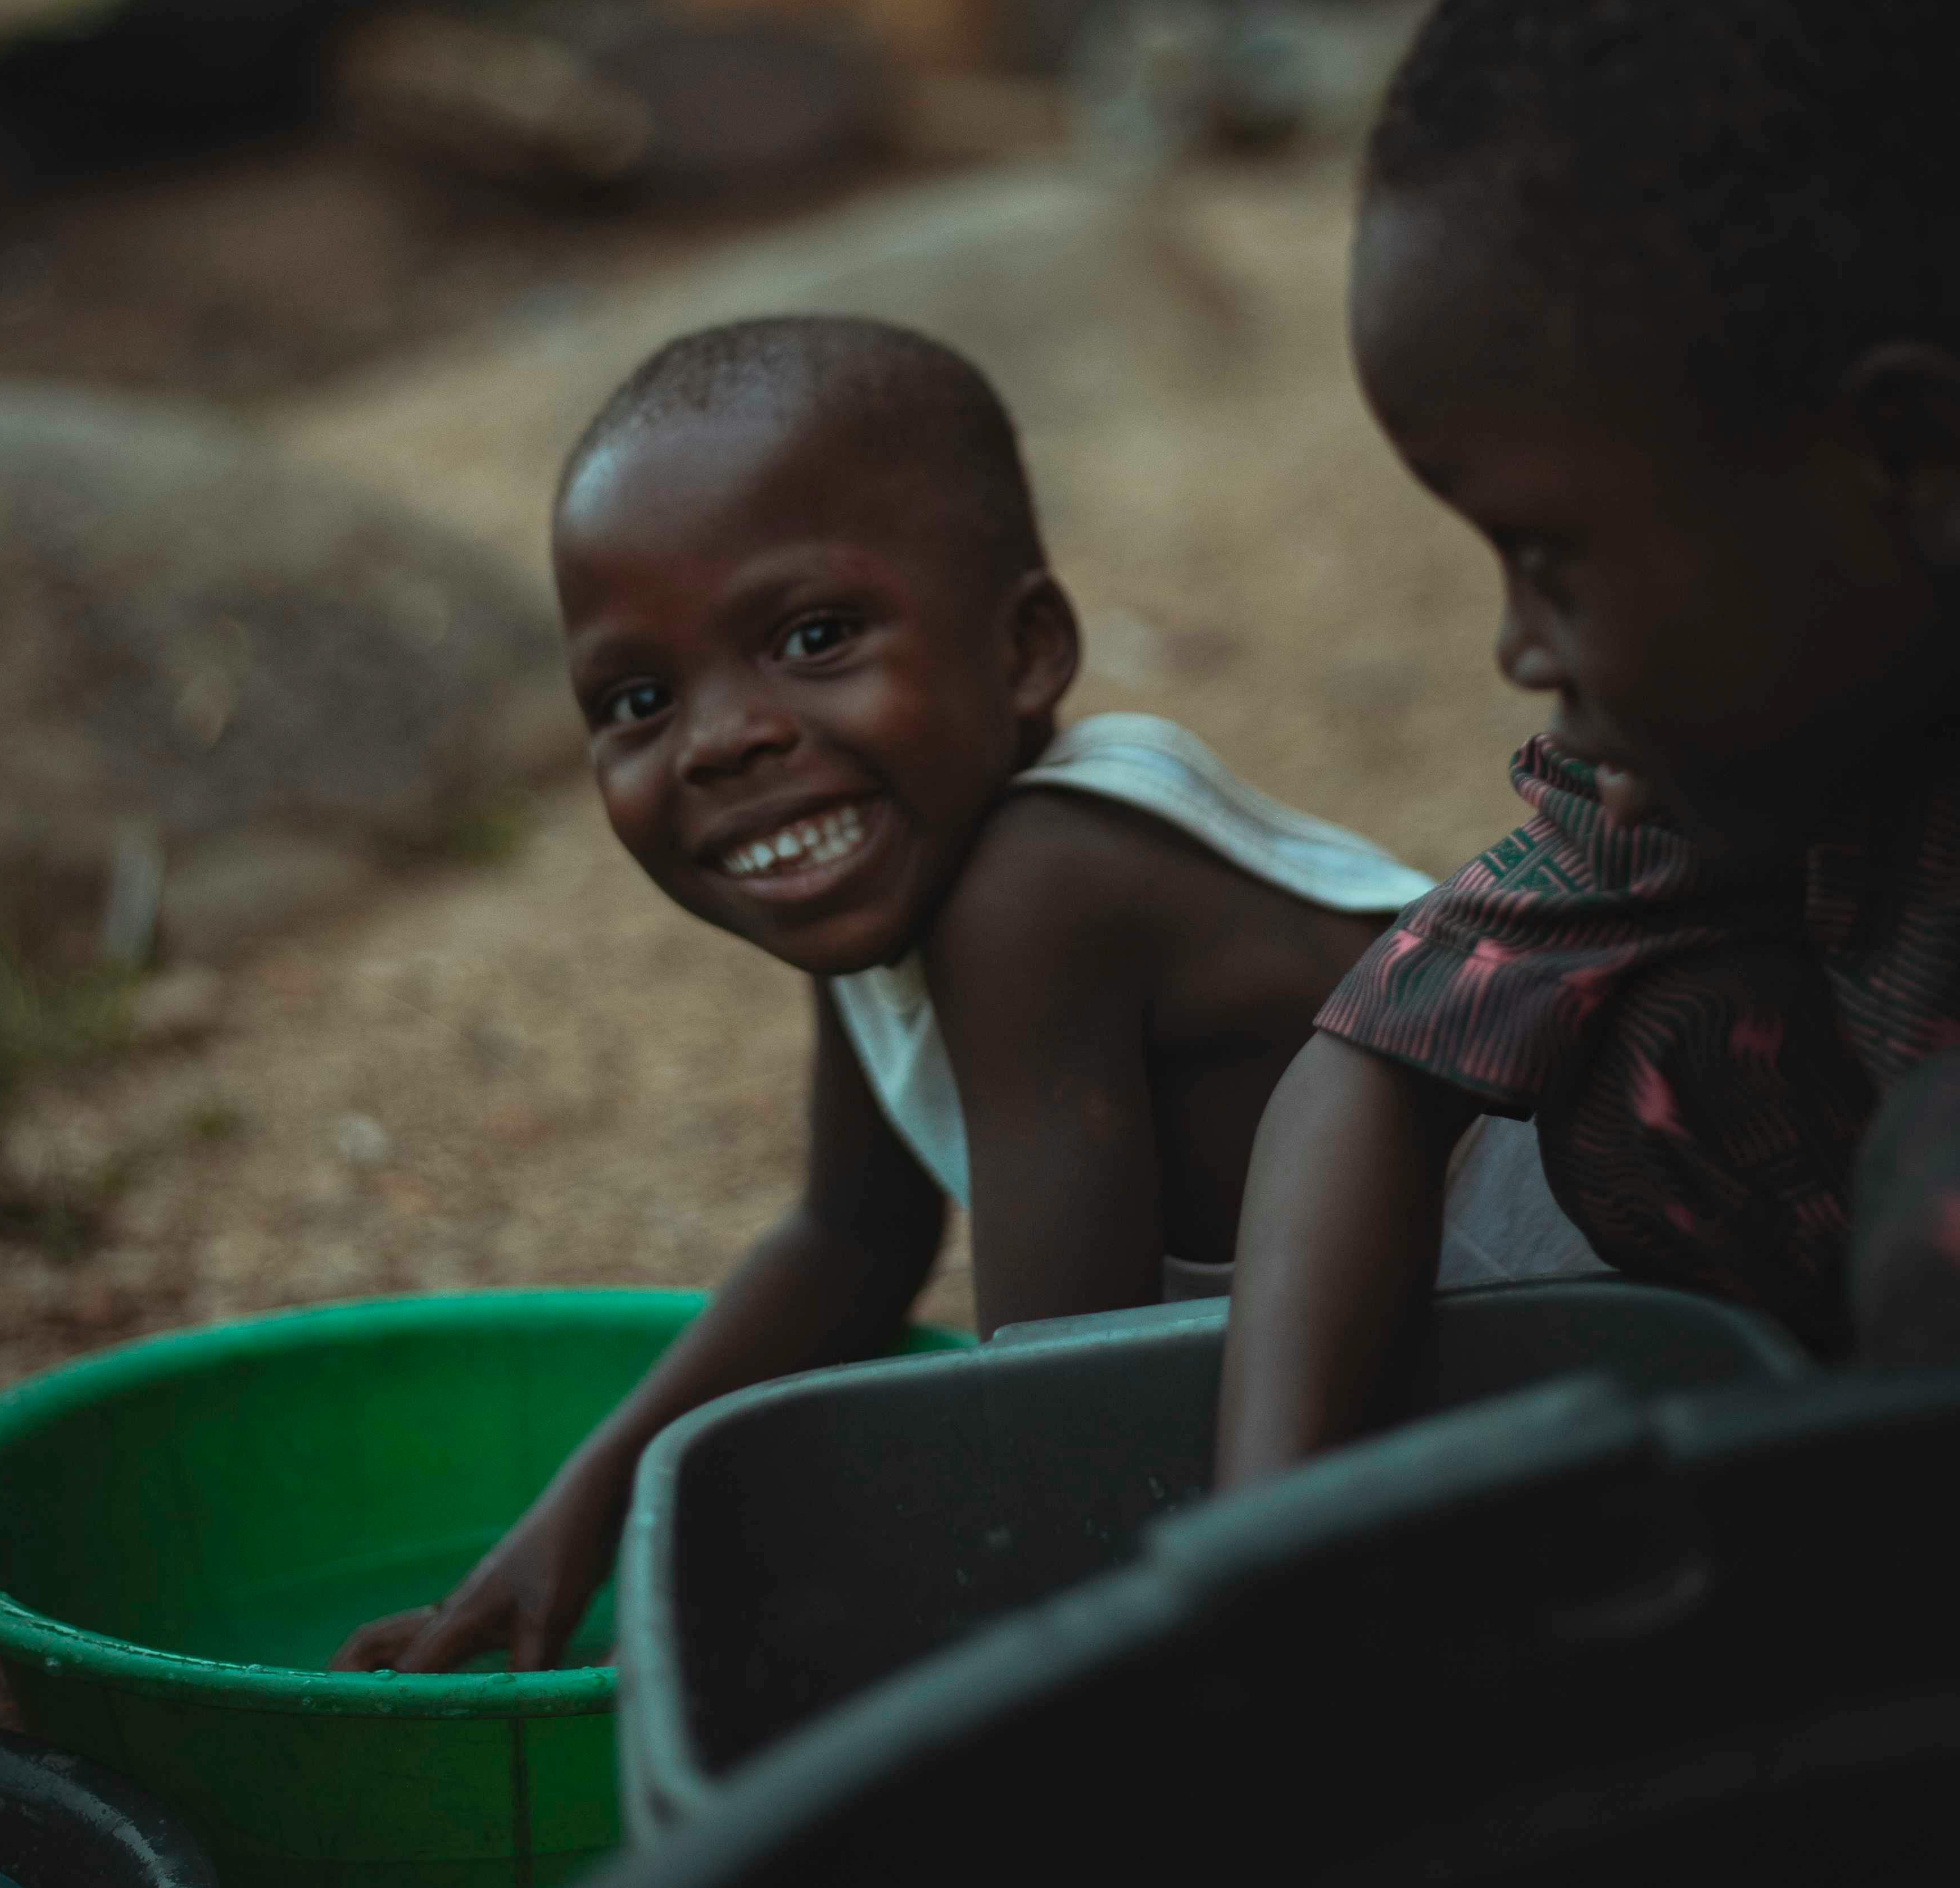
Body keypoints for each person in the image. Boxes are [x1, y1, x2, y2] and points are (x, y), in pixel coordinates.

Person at [334, 313, 1585, 1679]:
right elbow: (848, 1245)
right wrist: (570, 1532)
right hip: (1403, 1376)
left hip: (1579, 1326)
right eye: (637, 696)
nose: (722, 739)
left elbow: (1061, 1415)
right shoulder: (911, 868)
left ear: (1028, 651)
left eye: (813, 636)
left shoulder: (1036, 891)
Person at [1216, 0, 1960, 1493]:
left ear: (1915, 457)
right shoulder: (1759, 712)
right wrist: (1264, 1555)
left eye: (1550, 562)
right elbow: (1382, 1054)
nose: (1514, 646)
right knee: (1646, 1064)